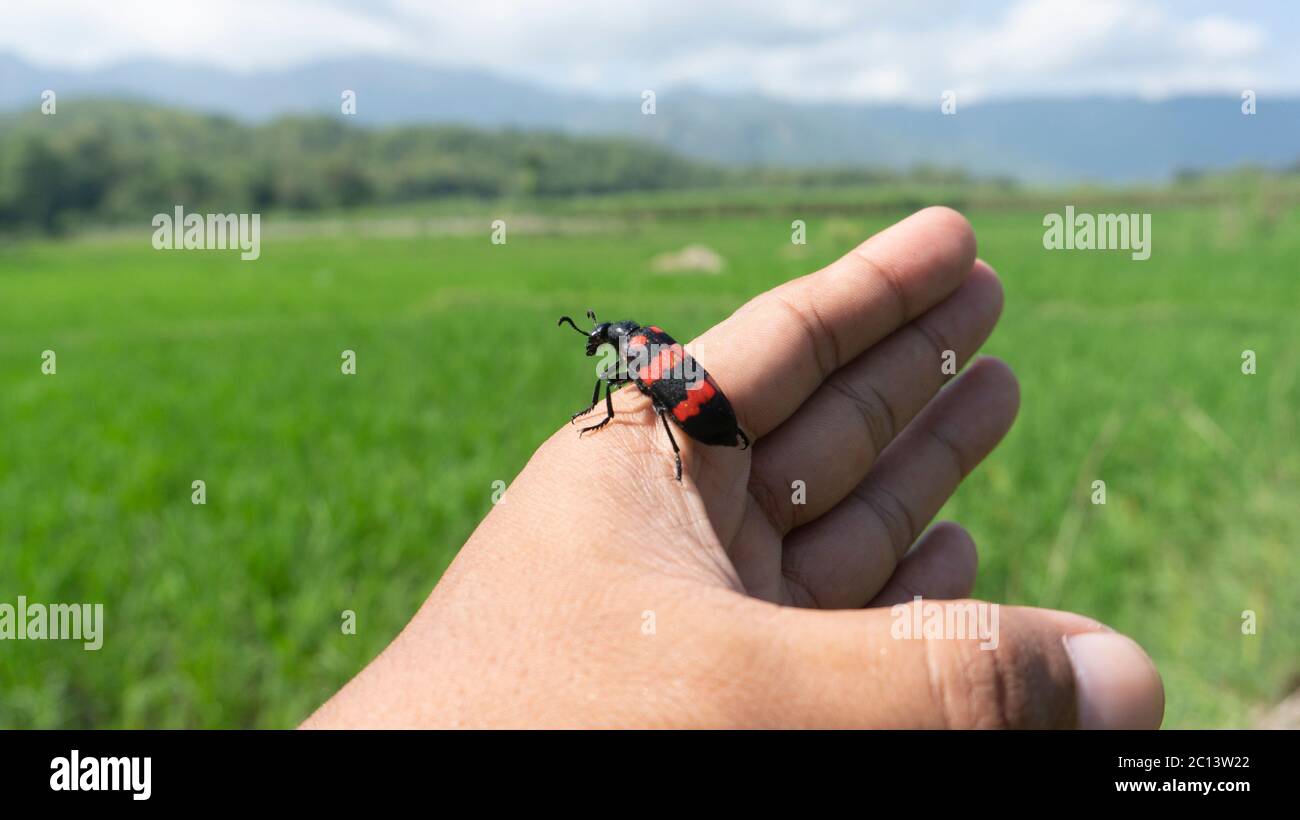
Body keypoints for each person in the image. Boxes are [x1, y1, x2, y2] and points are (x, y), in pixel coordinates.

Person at [304, 207, 1164, 729]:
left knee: (657, 411)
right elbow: (660, 391)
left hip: (707, 419)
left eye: (602, 341)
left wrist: (632, 426)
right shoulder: (647, 349)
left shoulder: (638, 362)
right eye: (604, 342)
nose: (605, 348)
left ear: (617, 343)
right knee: (663, 410)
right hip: (709, 413)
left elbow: (645, 401)